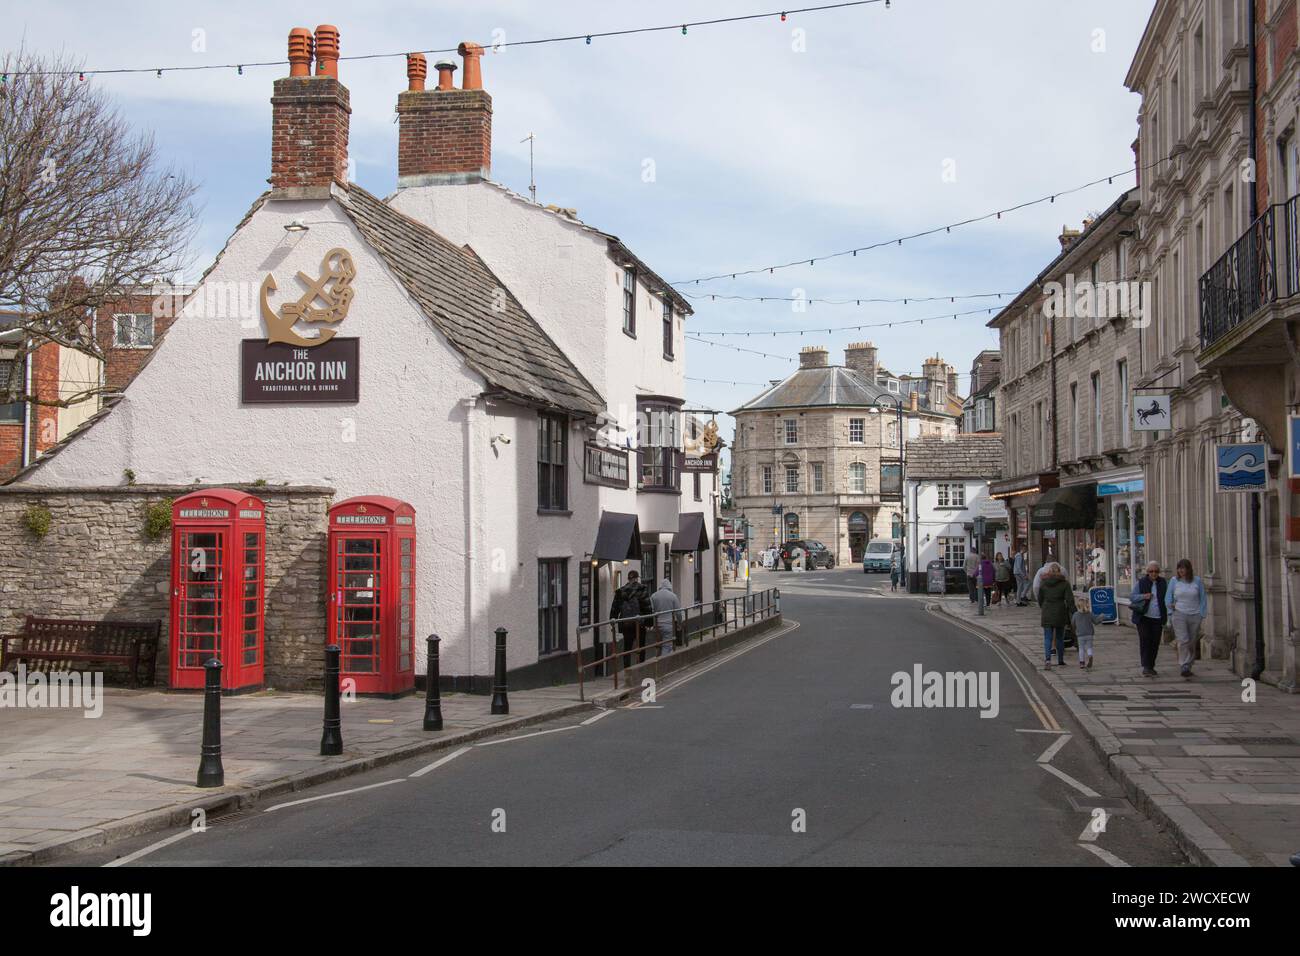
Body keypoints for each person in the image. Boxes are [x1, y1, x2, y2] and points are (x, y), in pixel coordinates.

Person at [1168, 559, 1207, 678]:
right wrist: (1170, 611)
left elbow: (1203, 598)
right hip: (1179, 613)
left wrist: (1202, 614)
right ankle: (1183, 664)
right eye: (1179, 568)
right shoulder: (1174, 581)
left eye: (1183, 568)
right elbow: (1168, 597)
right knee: (1183, 639)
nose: (1181, 570)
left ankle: (1189, 664)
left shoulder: (1197, 581)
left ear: (1188, 569)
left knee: (1191, 641)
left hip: (1195, 614)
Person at [1130, 561, 1169, 677]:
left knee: (1155, 642)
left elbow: (1167, 598)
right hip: (1143, 617)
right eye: (1151, 571)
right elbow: (1132, 597)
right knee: (1145, 640)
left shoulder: (1163, 583)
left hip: (1158, 617)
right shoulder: (1141, 583)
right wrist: (1144, 596)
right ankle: (1146, 666)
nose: (1154, 574)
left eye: (1156, 571)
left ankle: (1151, 666)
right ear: (1147, 572)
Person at [610, 570, 652, 668]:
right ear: (637, 578)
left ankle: (627, 669)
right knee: (641, 646)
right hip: (639, 623)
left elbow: (614, 608)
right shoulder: (642, 590)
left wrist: (612, 620)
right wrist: (649, 623)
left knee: (627, 647)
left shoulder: (621, 591)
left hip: (626, 624)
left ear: (628, 579)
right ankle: (641, 667)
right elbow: (647, 606)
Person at [1038, 562, 1072, 668]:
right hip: (1060, 611)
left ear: (1048, 572)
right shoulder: (1065, 584)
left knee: (1047, 638)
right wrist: (1074, 611)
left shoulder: (1043, 583)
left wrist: (1043, 607)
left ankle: (1048, 660)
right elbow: (1069, 599)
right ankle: (1060, 660)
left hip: (1047, 611)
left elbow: (1040, 598)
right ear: (1059, 572)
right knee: (1059, 638)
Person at [650, 577, 684, 657]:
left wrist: (652, 624)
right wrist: (679, 624)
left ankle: (657, 663)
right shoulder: (673, 596)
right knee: (667, 646)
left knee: (658, 645)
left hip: (657, 625)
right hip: (668, 625)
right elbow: (678, 613)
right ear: (669, 586)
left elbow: (651, 610)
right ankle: (663, 664)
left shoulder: (654, 596)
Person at [1072, 595, 1099, 670]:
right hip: (1089, 634)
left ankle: (1082, 663)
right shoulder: (1089, 614)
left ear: (1077, 605)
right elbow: (1096, 621)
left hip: (1080, 635)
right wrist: (1102, 616)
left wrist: (1075, 630)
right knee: (1089, 647)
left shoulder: (1075, 615)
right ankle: (1090, 655)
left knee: (1081, 649)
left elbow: (1073, 624)